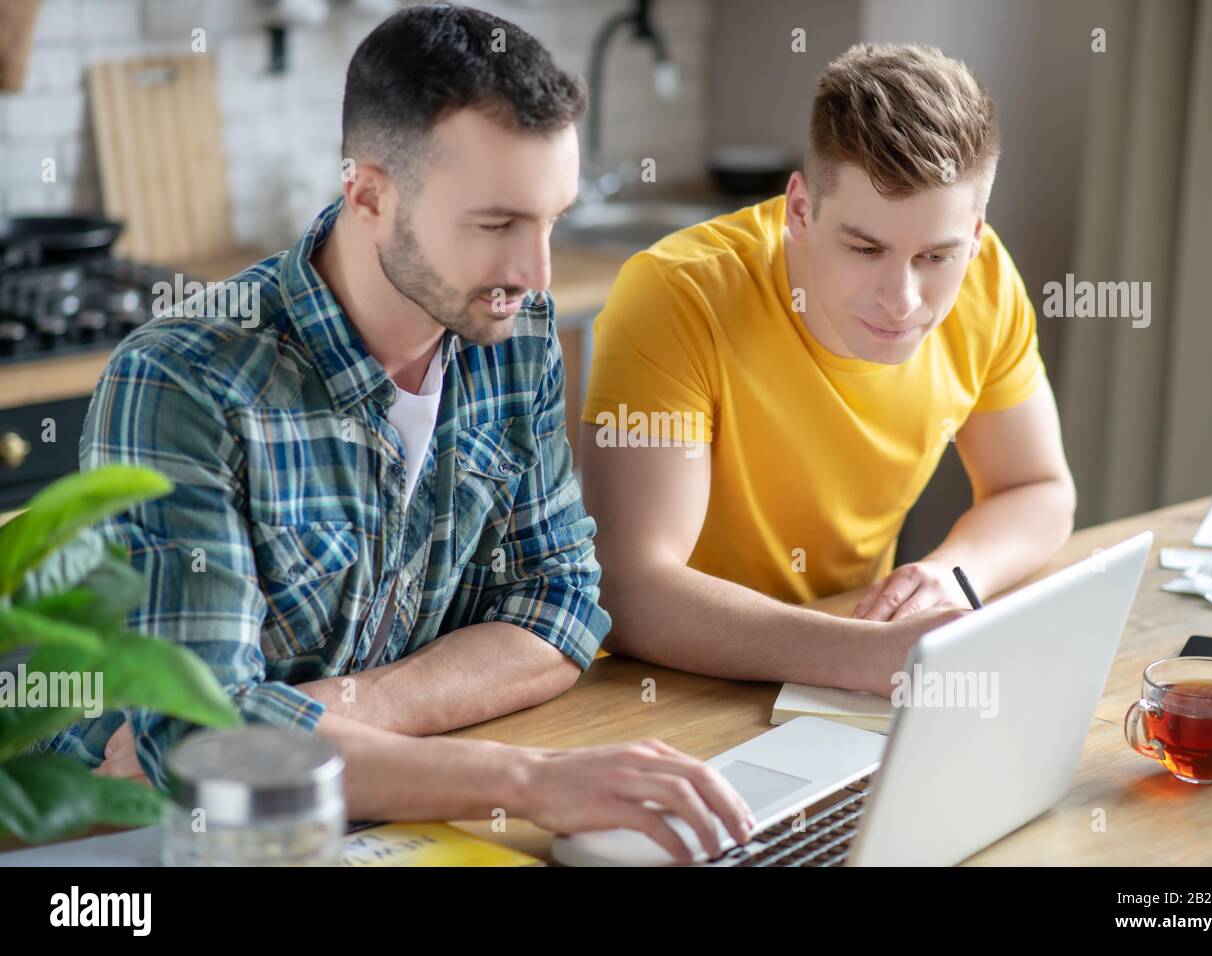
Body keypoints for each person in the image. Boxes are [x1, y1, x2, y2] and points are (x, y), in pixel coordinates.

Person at [48, 4, 751, 863]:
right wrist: (528, 783)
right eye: (497, 225)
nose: (536, 275)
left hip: (388, 821)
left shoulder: (513, 333)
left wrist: (338, 711)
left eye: (552, 219)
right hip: (135, 839)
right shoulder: (183, 381)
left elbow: (562, 606)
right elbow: (204, 746)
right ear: (369, 193)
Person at [580, 43, 1076, 697]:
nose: (902, 299)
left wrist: (951, 575)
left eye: (936, 257)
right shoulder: (677, 295)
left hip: (847, 679)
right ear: (801, 209)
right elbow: (628, 587)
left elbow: (1037, 488)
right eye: (866, 248)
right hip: (669, 689)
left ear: (976, 235)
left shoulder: (987, 281)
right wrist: (856, 655)